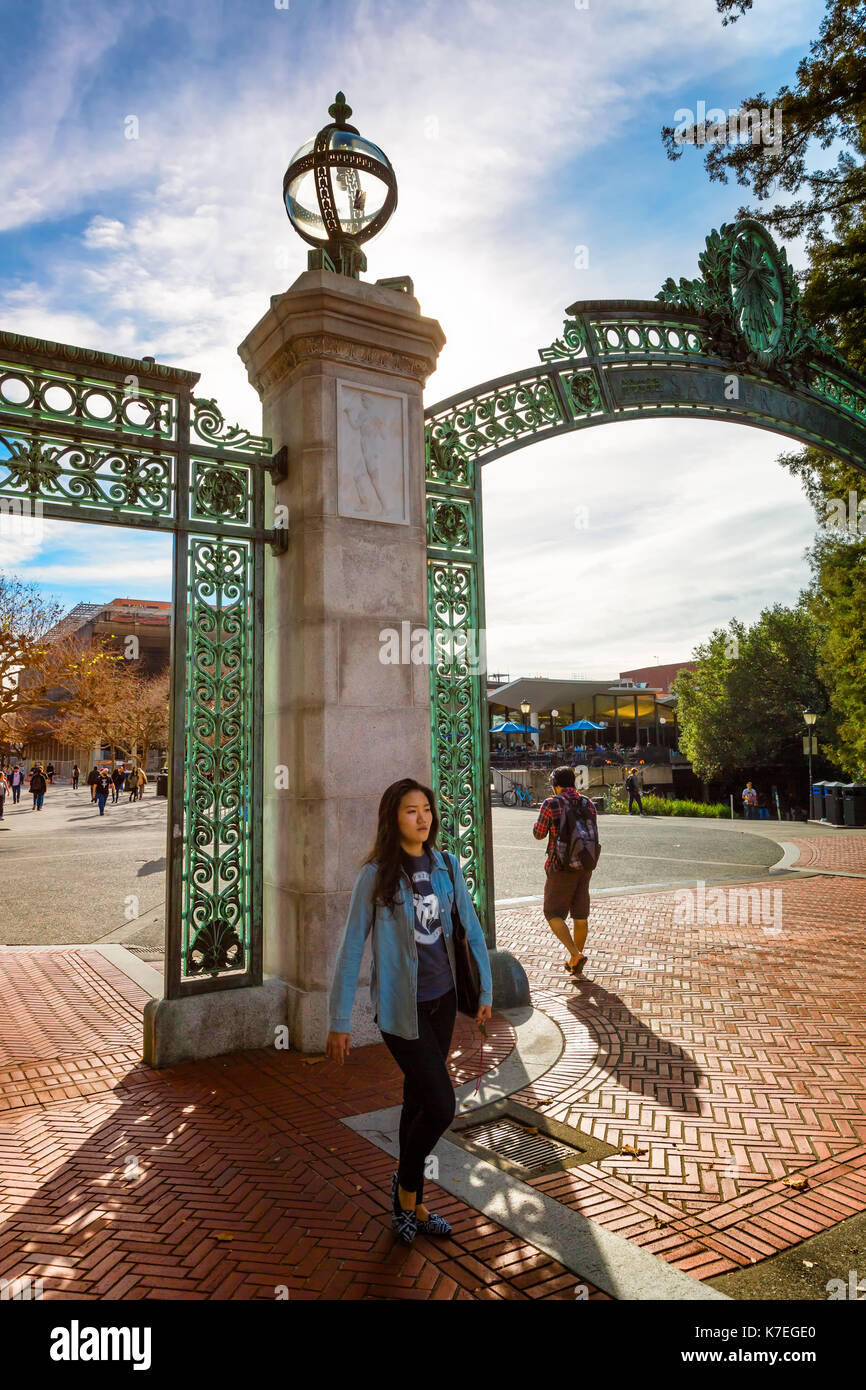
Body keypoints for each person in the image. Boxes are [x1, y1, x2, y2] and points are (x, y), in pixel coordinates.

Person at [326, 777, 493, 1246]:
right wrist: (339, 1021)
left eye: (426, 810)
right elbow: (351, 947)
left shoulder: (446, 865)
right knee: (441, 1104)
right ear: (392, 819)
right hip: (401, 1011)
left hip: (442, 1003)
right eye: (410, 811)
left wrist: (485, 990)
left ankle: (415, 1205)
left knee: (419, 1100)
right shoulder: (377, 874)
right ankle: (404, 1190)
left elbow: (471, 930)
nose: (422, 819)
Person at [533, 766, 599, 978]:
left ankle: (574, 954)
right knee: (580, 915)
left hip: (560, 866)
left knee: (552, 913)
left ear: (556, 785)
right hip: (585, 863)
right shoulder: (587, 803)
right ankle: (575, 959)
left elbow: (539, 834)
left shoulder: (551, 804)